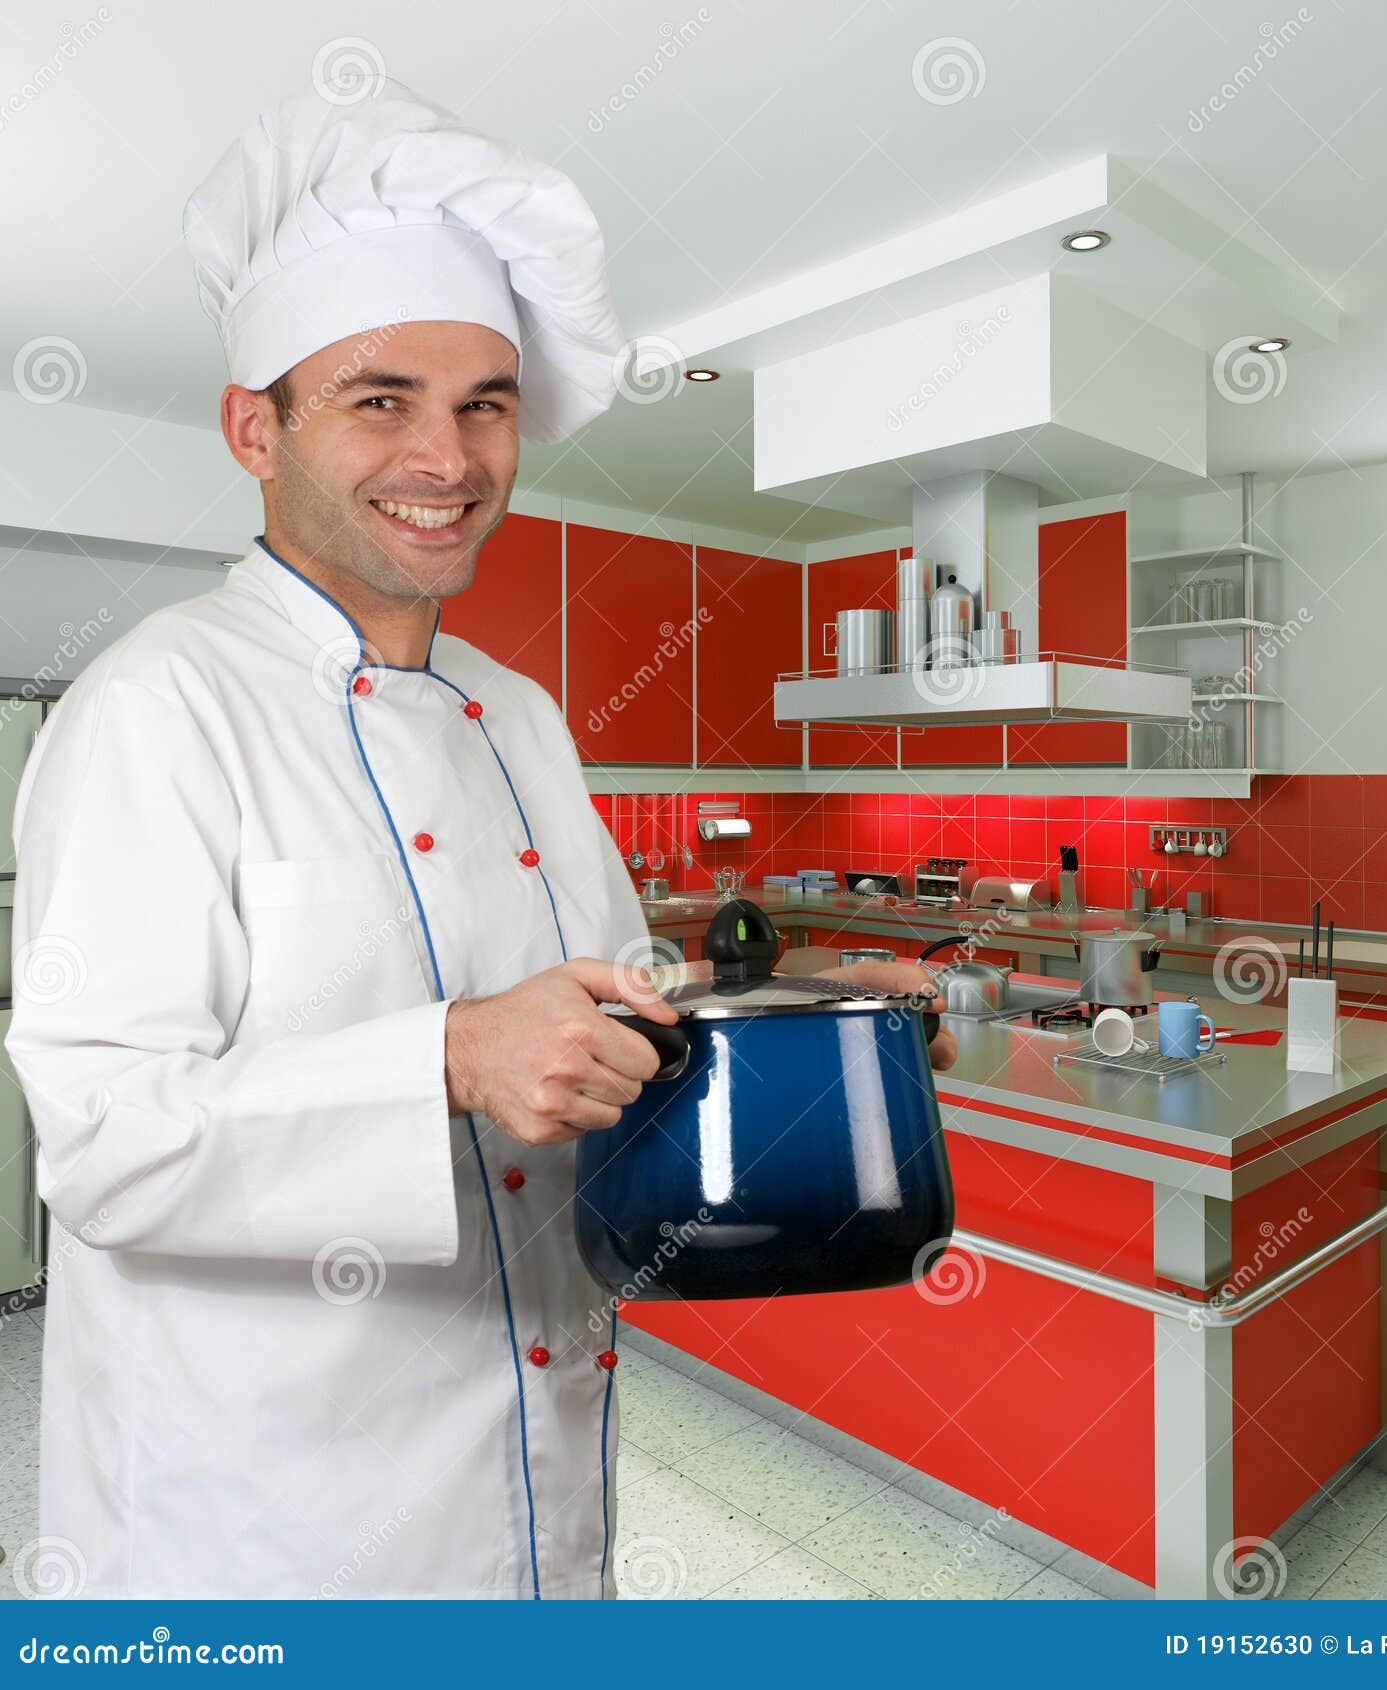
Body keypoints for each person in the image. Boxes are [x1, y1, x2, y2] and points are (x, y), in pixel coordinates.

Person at [6, 82, 952, 1600]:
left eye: (485, 402)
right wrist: (445, 1054)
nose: (445, 455)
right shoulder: (151, 710)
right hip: (264, 1528)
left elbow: (610, 993)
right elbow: (104, 1144)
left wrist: (804, 1059)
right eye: (381, 396)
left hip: (541, 1462)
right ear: (257, 426)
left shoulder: (519, 714)